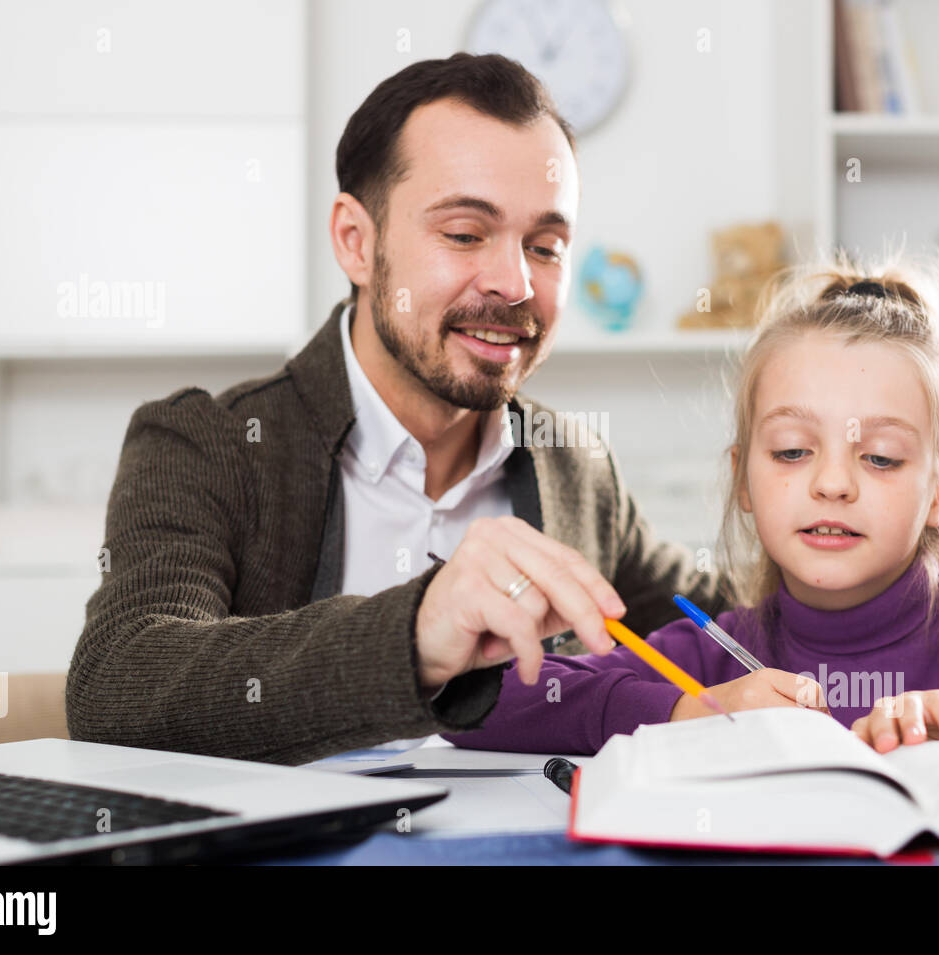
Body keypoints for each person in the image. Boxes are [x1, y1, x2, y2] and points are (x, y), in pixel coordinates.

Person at [66, 53, 729, 765]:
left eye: (545, 246)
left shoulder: (574, 463)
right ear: (357, 241)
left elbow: (721, 621)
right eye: (465, 234)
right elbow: (117, 682)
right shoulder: (207, 444)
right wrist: (417, 634)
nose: (513, 283)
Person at [443, 256, 939, 767]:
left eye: (879, 457)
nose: (833, 484)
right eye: (791, 451)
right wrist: (687, 708)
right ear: (742, 479)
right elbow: (475, 705)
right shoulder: (722, 646)